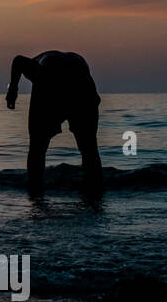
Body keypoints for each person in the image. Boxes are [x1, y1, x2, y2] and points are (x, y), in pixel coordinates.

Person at [5, 51, 102, 197]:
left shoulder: (38, 66)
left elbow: (18, 60)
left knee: (37, 149)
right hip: (82, 85)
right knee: (89, 150)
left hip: (50, 82)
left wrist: (13, 89)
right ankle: (95, 195)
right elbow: (18, 60)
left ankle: (36, 196)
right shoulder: (67, 61)